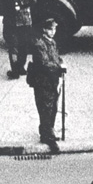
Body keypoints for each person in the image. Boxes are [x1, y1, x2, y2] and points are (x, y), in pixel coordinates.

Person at [27, 17, 64, 152]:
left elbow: (55, 57)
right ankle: (48, 137)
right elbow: (44, 64)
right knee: (46, 108)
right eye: (50, 29)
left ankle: (47, 133)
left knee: (53, 107)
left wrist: (61, 63)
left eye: (54, 29)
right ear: (44, 30)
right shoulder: (40, 45)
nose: (53, 31)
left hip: (52, 80)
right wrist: (59, 67)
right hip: (43, 82)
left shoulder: (52, 42)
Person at [0, 0, 37, 79]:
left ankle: (21, 66)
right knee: (13, 45)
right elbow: (2, 0)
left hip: (24, 20)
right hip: (11, 20)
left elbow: (33, 0)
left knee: (24, 45)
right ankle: (14, 69)